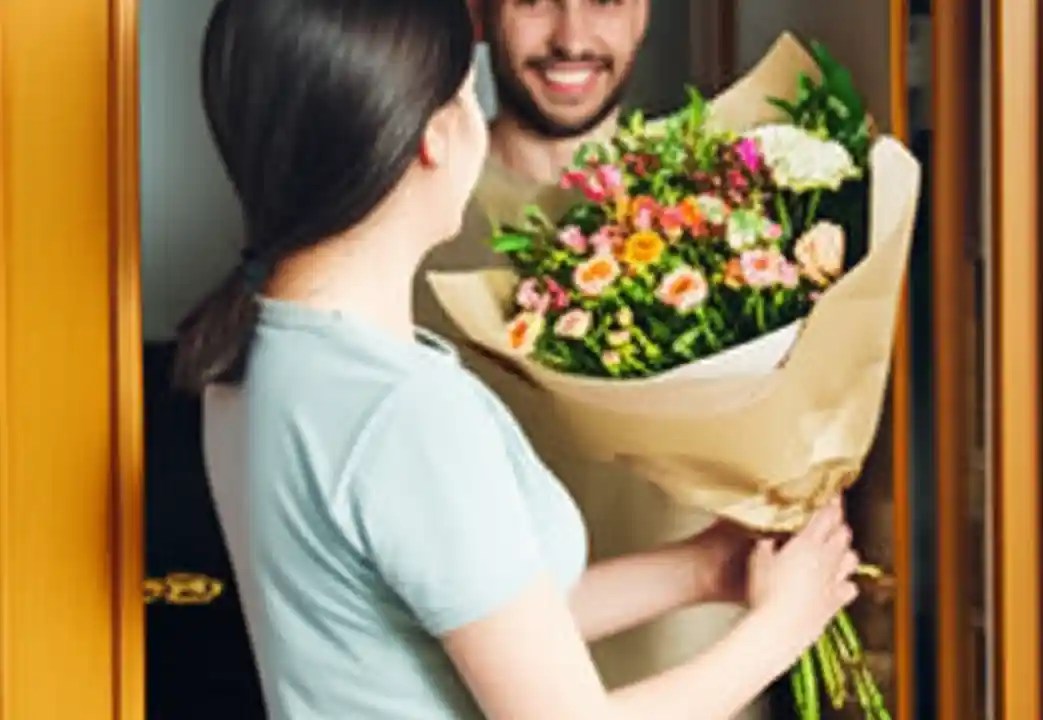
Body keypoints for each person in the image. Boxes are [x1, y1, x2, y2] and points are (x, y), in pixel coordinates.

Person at [178, 1, 861, 718]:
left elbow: (472, 616)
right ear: (435, 137)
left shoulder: (256, 359)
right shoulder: (403, 411)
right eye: (463, 95)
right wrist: (784, 627)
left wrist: (699, 569)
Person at [413, 2, 773, 706]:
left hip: (711, 686)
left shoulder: (729, 205)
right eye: (534, 1)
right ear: (478, 12)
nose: (572, 36)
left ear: (642, 13)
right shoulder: (413, 220)